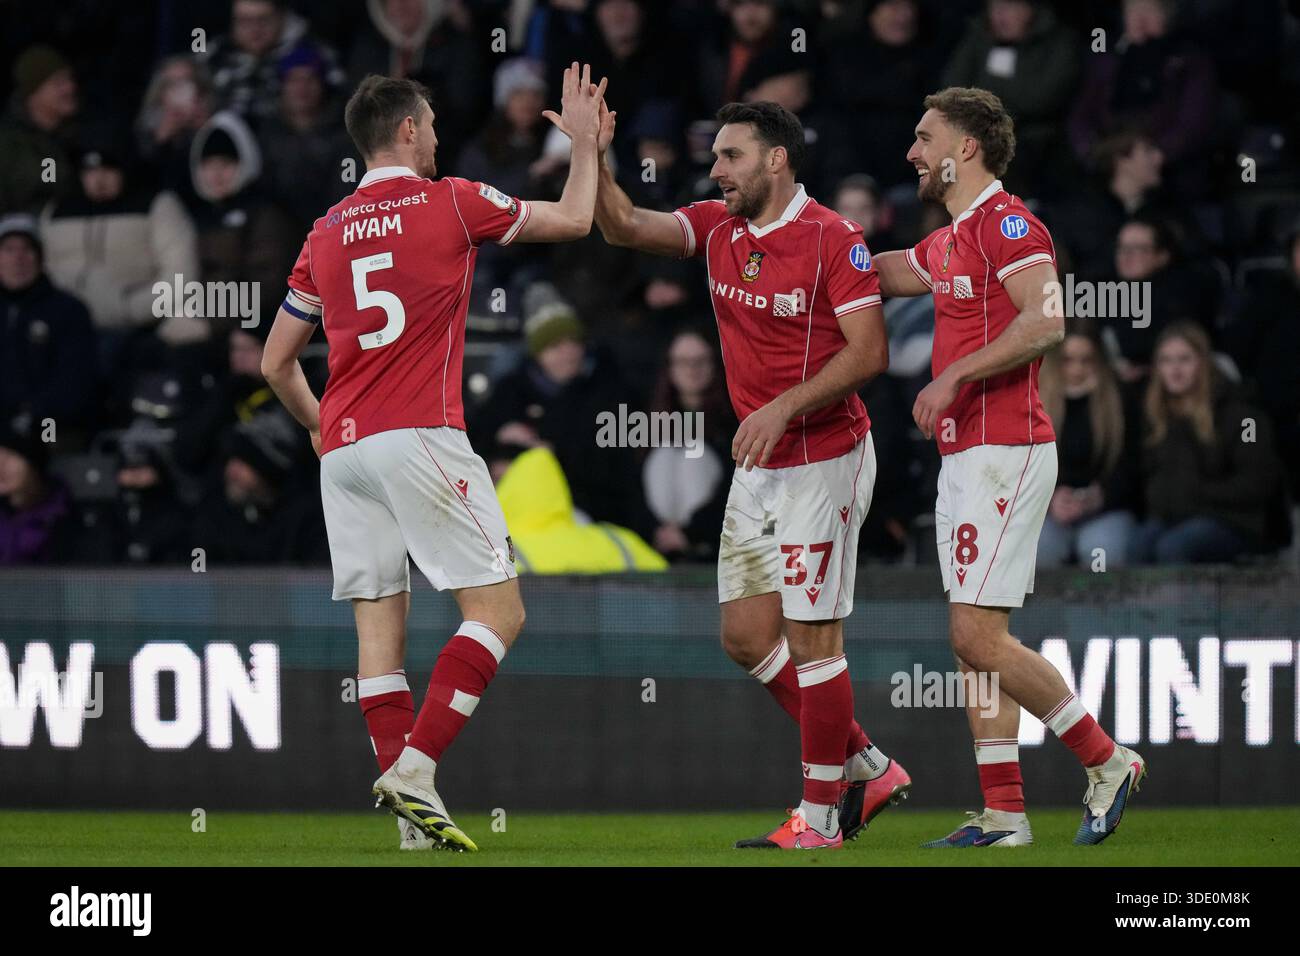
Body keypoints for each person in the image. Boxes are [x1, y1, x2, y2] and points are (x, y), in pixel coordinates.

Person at [258, 66, 608, 852]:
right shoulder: (453, 198)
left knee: (379, 635)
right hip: (419, 432)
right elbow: (577, 220)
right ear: (409, 130)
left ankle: (414, 826)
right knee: (499, 611)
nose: (441, 137)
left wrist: (321, 428)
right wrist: (585, 144)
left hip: (344, 452)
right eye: (435, 124)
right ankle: (416, 769)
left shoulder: (324, 229)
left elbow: (274, 364)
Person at [594, 97, 909, 850]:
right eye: (714, 158)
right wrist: (591, 153)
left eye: (731, 156)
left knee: (812, 639)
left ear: (776, 159)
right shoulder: (715, 227)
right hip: (761, 462)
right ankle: (869, 763)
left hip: (827, 457)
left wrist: (781, 408)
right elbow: (623, 225)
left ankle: (822, 820)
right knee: (744, 638)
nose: (715, 170)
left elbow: (868, 354)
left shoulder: (836, 239)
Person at [871, 87, 1145, 848]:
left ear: (966, 148)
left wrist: (954, 375)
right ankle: (1004, 814)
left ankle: (1107, 758)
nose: (912, 153)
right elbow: (890, 270)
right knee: (975, 638)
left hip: (1008, 449)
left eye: (925, 138)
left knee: (978, 637)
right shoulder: (955, 235)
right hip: (969, 454)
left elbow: (1047, 318)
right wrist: (815, 249)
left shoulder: (1010, 223)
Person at [1130, 323, 1281, 563]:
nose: (1175, 369)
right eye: (1166, 361)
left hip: (1234, 521)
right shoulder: (1156, 414)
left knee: (1174, 547)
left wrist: (1197, 491)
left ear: (1203, 363)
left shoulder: (1240, 414)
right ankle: (1146, 603)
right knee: (1137, 547)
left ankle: (1180, 603)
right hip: (1174, 517)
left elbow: (1257, 482)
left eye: (1184, 359)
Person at [1035, 322, 1139, 567]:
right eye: (1068, 360)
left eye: (1087, 360)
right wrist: (1050, 499)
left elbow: (1133, 466)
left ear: (1100, 361)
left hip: (1107, 508)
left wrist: (1099, 497)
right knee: (1039, 551)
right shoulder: (1035, 402)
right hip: (1047, 509)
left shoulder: (1121, 400)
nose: (1077, 369)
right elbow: (1021, 465)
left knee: (1102, 552)